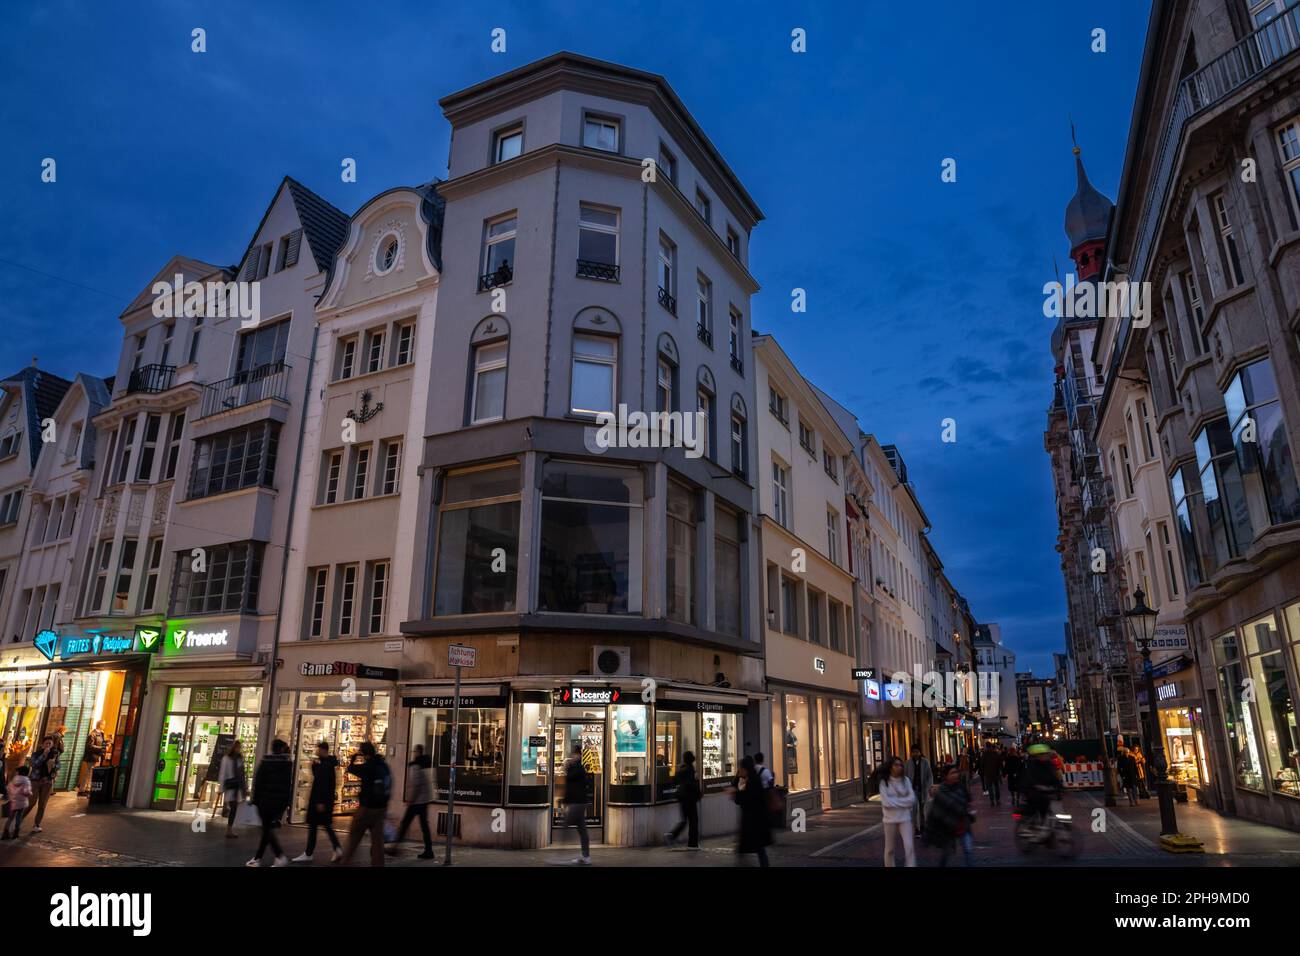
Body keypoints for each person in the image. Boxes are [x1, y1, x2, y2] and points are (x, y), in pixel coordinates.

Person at [341, 742, 392, 867]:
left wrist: (353, 758)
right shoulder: (384, 765)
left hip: (366, 808)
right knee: (377, 841)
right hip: (381, 809)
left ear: (364, 754)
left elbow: (351, 769)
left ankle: (345, 862)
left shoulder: (368, 766)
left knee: (354, 837)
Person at [294, 741, 342, 862]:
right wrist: (314, 766)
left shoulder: (326, 766)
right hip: (323, 801)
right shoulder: (327, 764)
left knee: (315, 826)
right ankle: (335, 848)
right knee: (323, 826)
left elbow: (322, 784)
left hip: (320, 801)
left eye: (318, 749)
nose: (316, 751)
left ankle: (310, 853)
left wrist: (320, 802)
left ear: (324, 750)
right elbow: (319, 778)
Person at [247, 739, 292, 867]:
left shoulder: (266, 762)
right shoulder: (287, 764)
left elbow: (259, 782)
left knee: (266, 829)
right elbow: (288, 785)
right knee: (267, 829)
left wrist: (255, 800)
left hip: (265, 801)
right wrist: (285, 803)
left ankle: (279, 855)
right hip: (279, 802)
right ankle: (258, 858)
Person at [390, 744, 434, 859]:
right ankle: (429, 850)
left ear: (418, 752)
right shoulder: (426, 765)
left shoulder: (416, 765)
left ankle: (395, 848)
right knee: (424, 825)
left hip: (417, 801)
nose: (414, 753)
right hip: (424, 800)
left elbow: (415, 785)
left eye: (415, 751)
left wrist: (410, 799)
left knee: (405, 824)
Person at [926, 765, 973, 866]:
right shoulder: (941, 790)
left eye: (956, 772)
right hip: (947, 828)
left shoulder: (961, 787)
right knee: (946, 854)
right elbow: (936, 811)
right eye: (952, 773)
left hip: (962, 824)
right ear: (946, 776)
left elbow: (968, 801)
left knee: (968, 850)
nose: (955, 775)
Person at [732, 756, 771, 867]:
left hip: (755, 820)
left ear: (746, 768)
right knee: (755, 848)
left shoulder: (753, 781)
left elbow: (746, 799)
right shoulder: (744, 779)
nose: (739, 769)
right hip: (749, 820)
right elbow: (738, 795)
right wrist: (738, 777)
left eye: (741, 767)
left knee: (758, 848)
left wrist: (736, 793)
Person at [879, 757, 917, 867]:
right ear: (890, 767)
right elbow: (886, 803)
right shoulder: (884, 782)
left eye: (900, 765)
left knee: (909, 846)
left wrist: (894, 802)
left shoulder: (906, 781)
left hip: (905, 818)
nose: (899, 767)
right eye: (896, 765)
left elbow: (912, 800)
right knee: (889, 849)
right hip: (889, 819)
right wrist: (903, 802)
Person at [663, 751, 701, 849]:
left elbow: (674, 780)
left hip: (682, 798)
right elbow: (691, 784)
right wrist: (698, 793)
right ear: (691, 759)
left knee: (685, 820)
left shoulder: (681, 769)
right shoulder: (690, 769)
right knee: (693, 821)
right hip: (690, 798)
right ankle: (692, 844)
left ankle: (672, 835)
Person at [562, 742, 591, 864]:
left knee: (565, 826)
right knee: (582, 830)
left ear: (579, 755)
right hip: (578, 802)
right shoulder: (576, 767)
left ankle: (560, 853)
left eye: (575, 754)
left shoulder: (578, 768)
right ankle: (586, 857)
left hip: (577, 803)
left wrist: (568, 767)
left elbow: (572, 782)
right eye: (573, 754)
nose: (573, 756)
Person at [1021, 744, 1063, 826]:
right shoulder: (1030, 765)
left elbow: (1053, 776)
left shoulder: (1048, 764)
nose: (1044, 756)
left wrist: (1059, 787)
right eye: (1042, 755)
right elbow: (1029, 779)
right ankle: (1040, 828)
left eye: (1045, 754)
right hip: (1034, 793)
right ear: (1036, 756)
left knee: (1052, 808)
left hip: (1046, 792)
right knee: (1041, 809)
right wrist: (1036, 786)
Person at [28, 736, 60, 832]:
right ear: (42, 745)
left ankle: (36, 825)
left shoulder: (54, 755)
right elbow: (34, 764)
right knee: (31, 802)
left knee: (42, 805)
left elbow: (58, 765)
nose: (48, 745)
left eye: (50, 744)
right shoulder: (36, 754)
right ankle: (19, 820)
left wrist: (54, 766)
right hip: (36, 781)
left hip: (47, 782)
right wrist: (43, 756)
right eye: (46, 743)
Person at [218, 739, 247, 839]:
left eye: (240, 747)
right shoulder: (227, 758)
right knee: (233, 807)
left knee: (234, 808)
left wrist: (244, 788)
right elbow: (223, 773)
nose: (239, 749)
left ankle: (229, 828)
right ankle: (229, 829)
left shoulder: (239, 759)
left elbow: (242, 774)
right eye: (237, 747)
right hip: (231, 786)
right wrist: (221, 788)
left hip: (237, 787)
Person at [907, 745, 933, 835]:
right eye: (914, 752)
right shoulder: (908, 763)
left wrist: (929, 786)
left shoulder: (925, 762)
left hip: (923, 789)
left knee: (922, 809)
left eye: (917, 751)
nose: (915, 753)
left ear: (920, 752)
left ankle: (923, 826)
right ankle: (916, 828)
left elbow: (929, 776)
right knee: (914, 808)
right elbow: (906, 776)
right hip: (913, 789)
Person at [77, 721, 107, 796]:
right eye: (104, 725)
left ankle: (87, 789)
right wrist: (101, 748)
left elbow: (101, 743)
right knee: (88, 773)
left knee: (91, 773)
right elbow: (89, 746)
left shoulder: (101, 734)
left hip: (97, 756)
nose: (104, 726)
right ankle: (81, 790)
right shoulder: (92, 734)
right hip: (92, 756)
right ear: (100, 725)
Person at [3, 765, 32, 839]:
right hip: (22, 803)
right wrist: (30, 793)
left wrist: (11, 796)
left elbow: (8, 788)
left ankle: (5, 833)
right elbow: (26, 791)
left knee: (10, 818)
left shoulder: (14, 779)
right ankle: (15, 833)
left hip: (13, 802)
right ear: (27, 773)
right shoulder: (26, 781)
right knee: (19, 818)